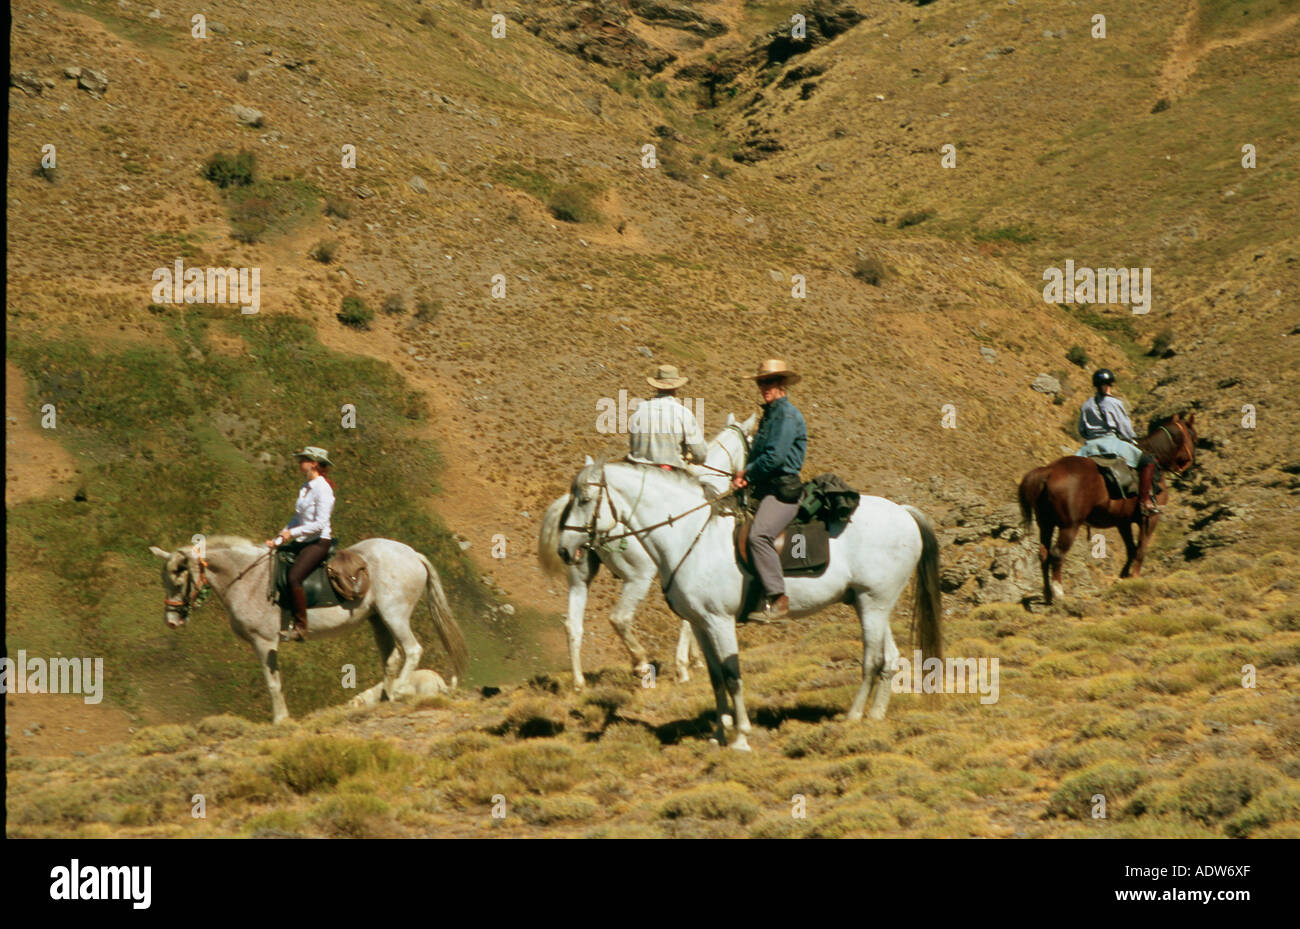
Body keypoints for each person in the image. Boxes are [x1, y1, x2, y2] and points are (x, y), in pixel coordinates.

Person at [731, 359, 807, 622]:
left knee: (759, 535)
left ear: (782, 384)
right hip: (764, 488)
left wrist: (747, 474)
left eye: (770, 382)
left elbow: (775, 458)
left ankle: (778, 598)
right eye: (761, 382)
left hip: (782, 491)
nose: (764, 387)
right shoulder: (770, 414)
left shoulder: (786, 415)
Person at [267, 446, 336, 640]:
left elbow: (320, 524)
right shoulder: (305, 488)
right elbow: (297, 517)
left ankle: (300, 626)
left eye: (303, 460)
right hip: (303, 540)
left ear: (313, 463)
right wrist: (279, 538)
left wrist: (292, 533)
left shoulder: (323, 489)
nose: (299, 463)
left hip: (319, 542)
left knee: (294, 577)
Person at [1075, 369, 1160, 516]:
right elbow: (1125, 429)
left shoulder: (1086, 405)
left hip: (1088, 448)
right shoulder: (1114, 403)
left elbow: (1081, 430)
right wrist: (1131, 440)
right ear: (1110, 385)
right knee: (1149, 461)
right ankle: (1145, 501)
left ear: (1095, 385)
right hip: (1111, 444)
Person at [627, 364, 708, 469]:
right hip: (671, 474)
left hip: (638, 471)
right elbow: (700, 454)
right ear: (677, 387)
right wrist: (691, 458)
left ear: (656, 386)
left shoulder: (639, 410)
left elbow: (633, 446)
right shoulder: (683, 413)